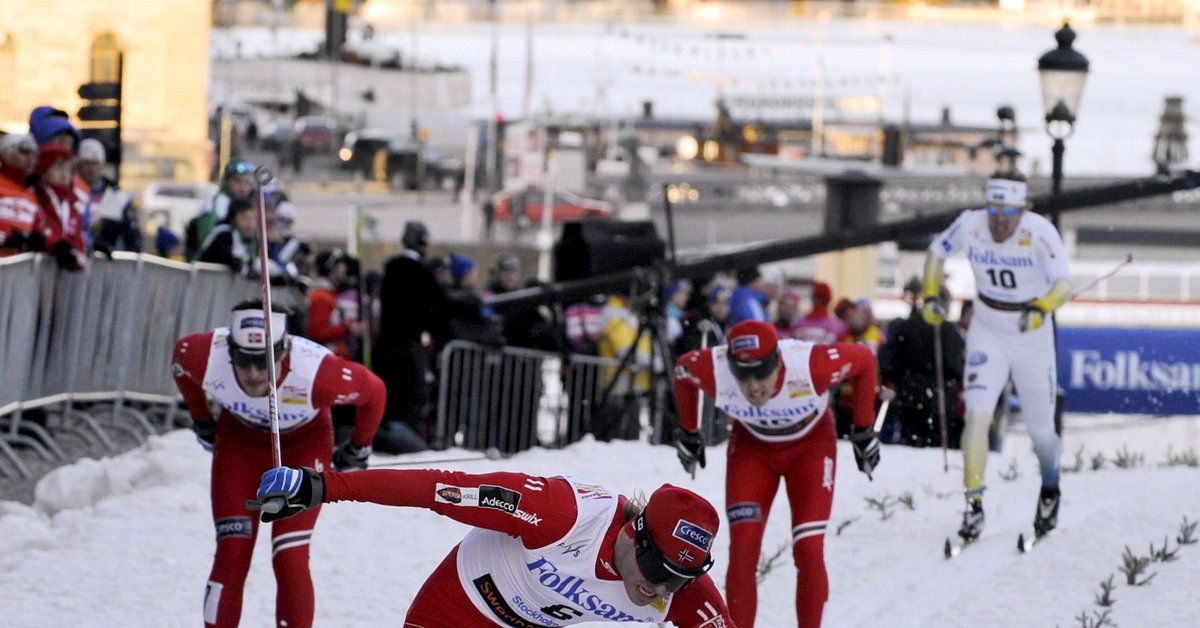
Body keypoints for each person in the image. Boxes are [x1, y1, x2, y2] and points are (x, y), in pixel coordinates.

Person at [249, 466, 739, 627]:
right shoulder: (558, 513)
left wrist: (681, 582)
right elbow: (439, 489)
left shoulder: (682, 591)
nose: (660, 586)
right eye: (657, 567)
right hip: (459, 603)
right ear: (634, 532)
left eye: (681, 576)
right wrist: (323, 486)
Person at [171, 300, 386, 628]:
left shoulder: (319, 373)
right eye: (243, 361)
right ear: (229, 351)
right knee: (232, 551)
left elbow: (375, 392)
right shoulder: (202, 354)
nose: (254, 373)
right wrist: (202, 420)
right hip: (239, 445)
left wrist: (357, 448)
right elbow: (180, 365)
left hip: (303, 445)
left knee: (289, 554)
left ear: (284, 352)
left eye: (264, 361)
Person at [672, 320, 880, 628]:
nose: (754, 386)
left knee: (808, 547)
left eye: (761, 374)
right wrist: (689, 432)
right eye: (742, 376)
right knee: (742, 549)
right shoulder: (713, 368)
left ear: (778, 363)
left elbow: (864, 360)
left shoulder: (812, 366)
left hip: (810, 447)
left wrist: (863, 429)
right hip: (752, 451)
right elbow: (682, 371)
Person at [921, 169, 1070, 544]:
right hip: (987, 330)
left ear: (1023, 209)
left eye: (1008, 212)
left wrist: (1041, 307)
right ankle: (973, 504)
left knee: (1040, 433)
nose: (1000, 220)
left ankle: (1050, 488)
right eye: (994, 210)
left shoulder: (1039, 231)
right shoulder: (971, 224)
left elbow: (1062, 284)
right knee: (976, 417)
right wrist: (930, 295)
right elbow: (936, 251)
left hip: (1031, 335)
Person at [372, 220, 444, 453]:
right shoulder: (421, 272)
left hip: (385, 346)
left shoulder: (391, 267)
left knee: (387, 396)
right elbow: (436, 304)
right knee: (410, 398)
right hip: (409, 346)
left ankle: (384, 439)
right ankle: (404, 443)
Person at [78, 138, 142, 254]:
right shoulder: (70, 196)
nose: (91, 169)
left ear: (102, 164)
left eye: (95, 163)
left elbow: (133, 240)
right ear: (80, 165)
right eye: (87, 163)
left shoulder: (120, 199)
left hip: (110, 268)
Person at [31, 143, 88, 271]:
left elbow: (78, 238)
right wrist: (56, 245)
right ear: (44, 170)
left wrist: (75, 257)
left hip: (58, 281)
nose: (64, 174)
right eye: (59, 168)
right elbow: (37, 231)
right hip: (34, 276)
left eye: (68, 169)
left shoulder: (72, 203)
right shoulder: (36, 197)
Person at [0, 133, 43, 256]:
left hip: (16, 270)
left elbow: (38, 227)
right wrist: (7, 236)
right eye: (24, 151)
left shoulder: (31, 193)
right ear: (7, 152)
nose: (31, 158)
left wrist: (39, 239)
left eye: (35, 154)